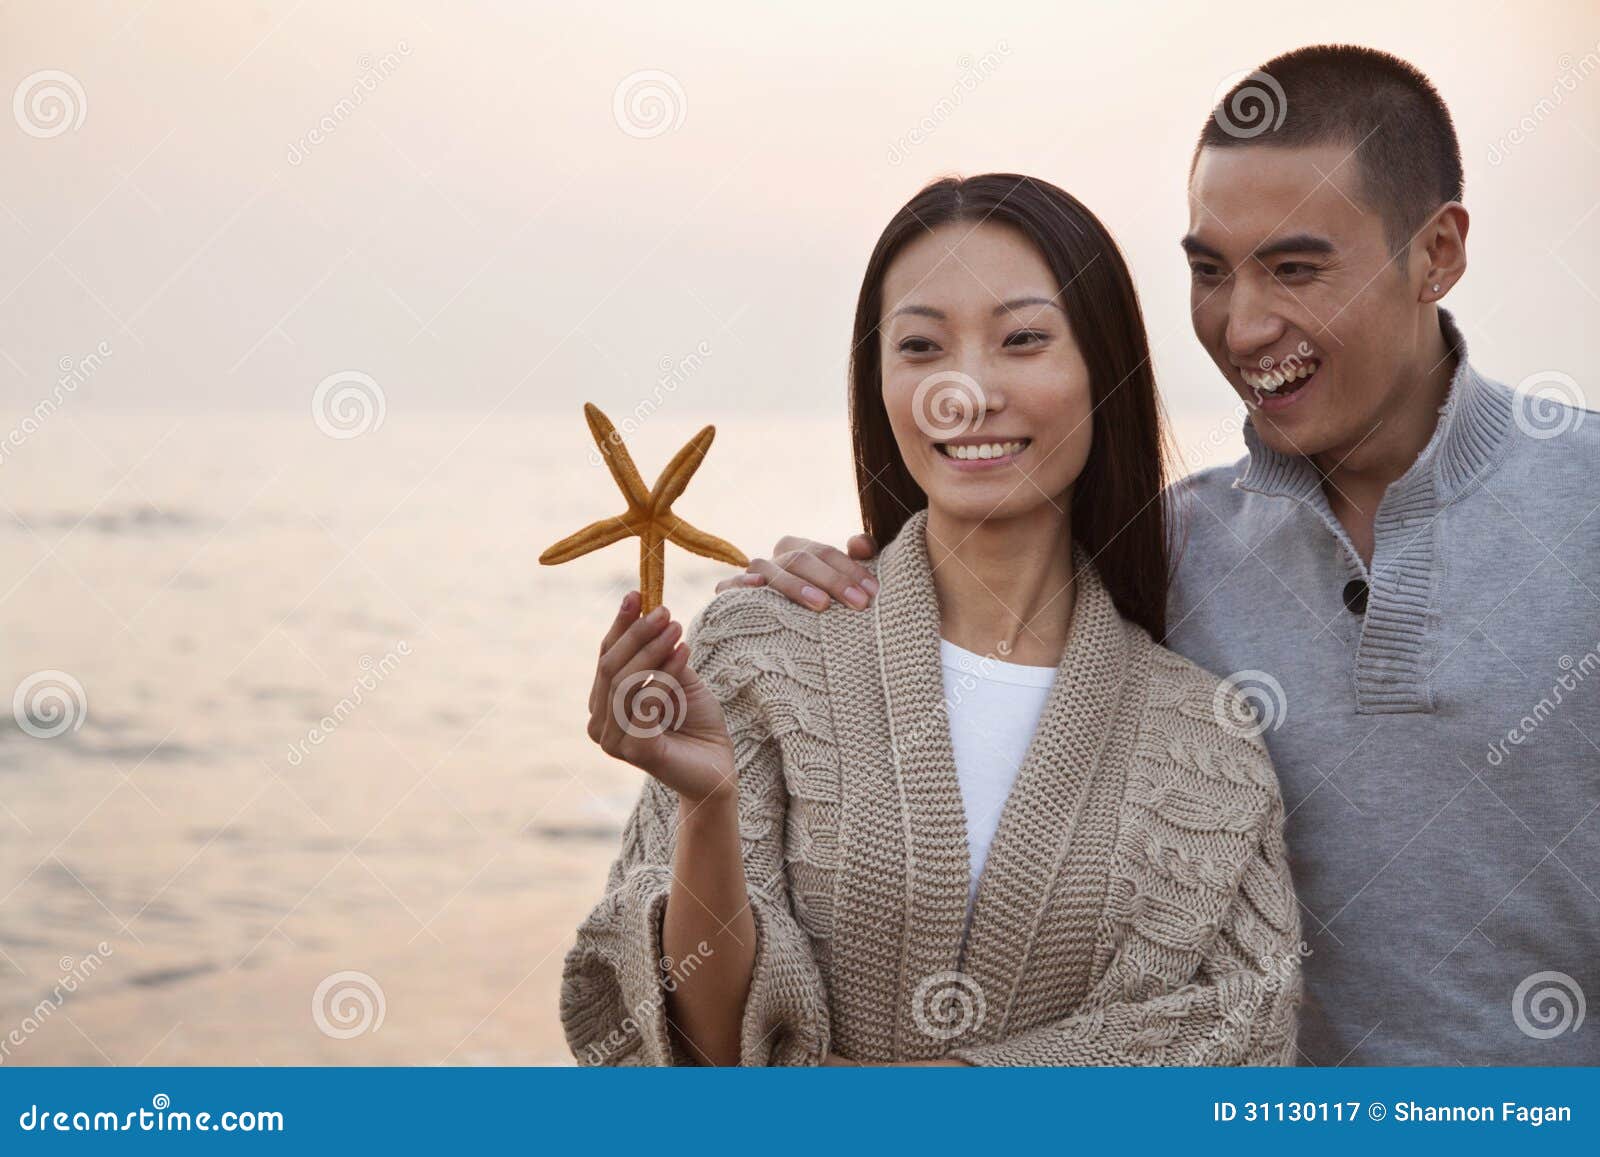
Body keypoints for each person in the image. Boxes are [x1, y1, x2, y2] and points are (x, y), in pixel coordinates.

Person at [733, 46, 1600, 1065]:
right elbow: (969, 633)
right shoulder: (1159, 550)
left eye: (1293, 267)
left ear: (1437, 253)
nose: (1240, 324)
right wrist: (823, 588)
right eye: (1208, 271)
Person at [560, 174, 1302, 1067]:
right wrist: (709, 805)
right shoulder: (763, 649)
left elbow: (1232, 1046)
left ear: (1105, 369)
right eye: (919, 346)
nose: (962, 393)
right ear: (878, 380)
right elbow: (696, 1058)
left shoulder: (1210, 742)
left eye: (1022, 339)